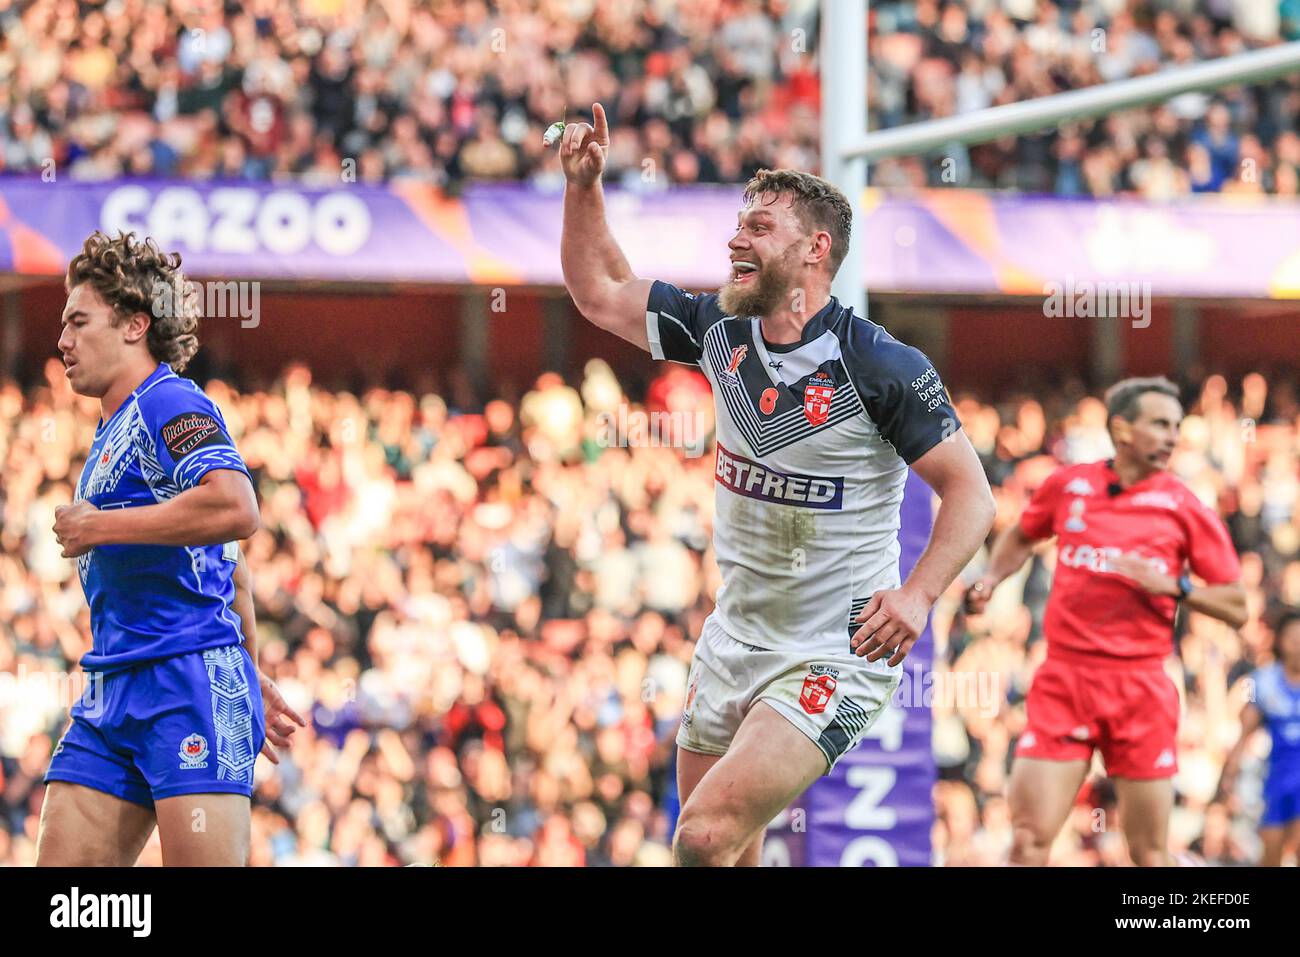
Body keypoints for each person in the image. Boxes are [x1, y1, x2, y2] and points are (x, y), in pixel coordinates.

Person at [557, 103, 996, 866]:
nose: (736, 238)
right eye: (739, 224)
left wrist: (919, 594)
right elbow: (600, 288)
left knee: (702, 835)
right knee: (727, 850)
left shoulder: (881, 366)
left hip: (833, 651)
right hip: (732, 638)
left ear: (815, 249)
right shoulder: (717, 329)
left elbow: (972, 495)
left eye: (758, 227)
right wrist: (582, 187)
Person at [36, 230, 303, 866]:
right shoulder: (111, 429)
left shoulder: (170, 400)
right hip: (110, 689)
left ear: (135, 324)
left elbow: (236, 508)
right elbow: (230, 568)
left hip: (187, 684)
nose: (63, 340)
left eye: (79, 321)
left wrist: (99, 527)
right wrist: (251, 668)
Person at [964, 376, 1248, 866]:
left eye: (1176, 426)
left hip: (1140, 687)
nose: (1172, 436)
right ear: (1122, 430)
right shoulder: (1068, 485)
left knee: (1148, 853)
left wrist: (1175, 586)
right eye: (1159, 424)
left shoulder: (1184, 506)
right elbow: (1022, 535)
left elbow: (1237, 604)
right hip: (1065, 679)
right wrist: (990, 578)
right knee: (1028, 842)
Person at [1220, 609, 1300, 865]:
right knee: (1271, 852)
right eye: (1292, 638)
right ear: (1280, 641)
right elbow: (1245, 730)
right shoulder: (1262, 681)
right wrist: (1230, 772)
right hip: (1276, 777)